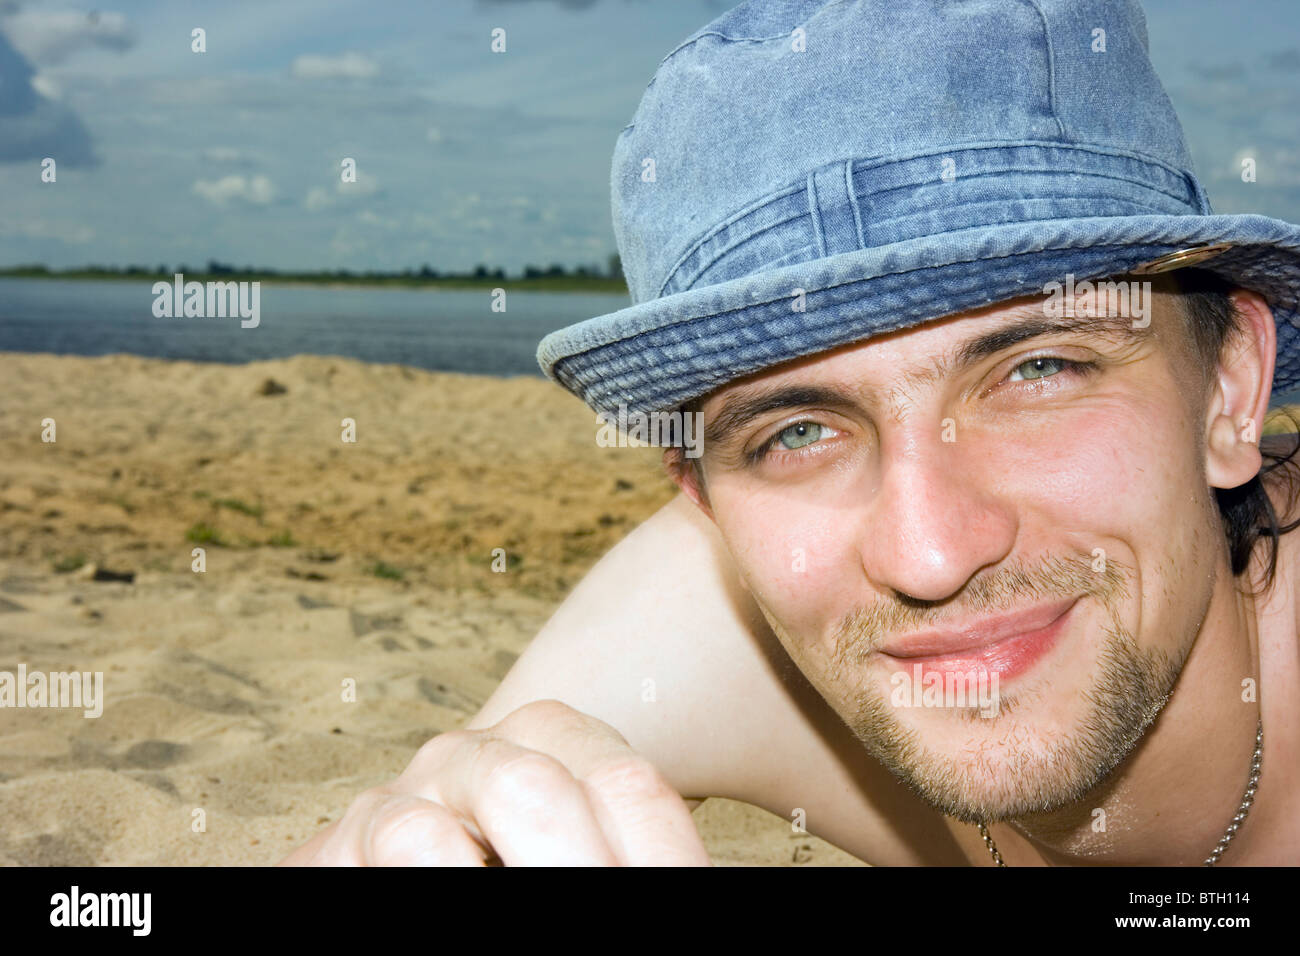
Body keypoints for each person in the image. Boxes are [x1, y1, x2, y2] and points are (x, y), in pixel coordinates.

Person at [281, 0, 1300, 865]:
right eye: (797, 433)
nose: (930, 553)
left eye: (1037, 369)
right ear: (703, 499)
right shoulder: (708, 629)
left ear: (1228, 386)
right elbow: (441, 818)